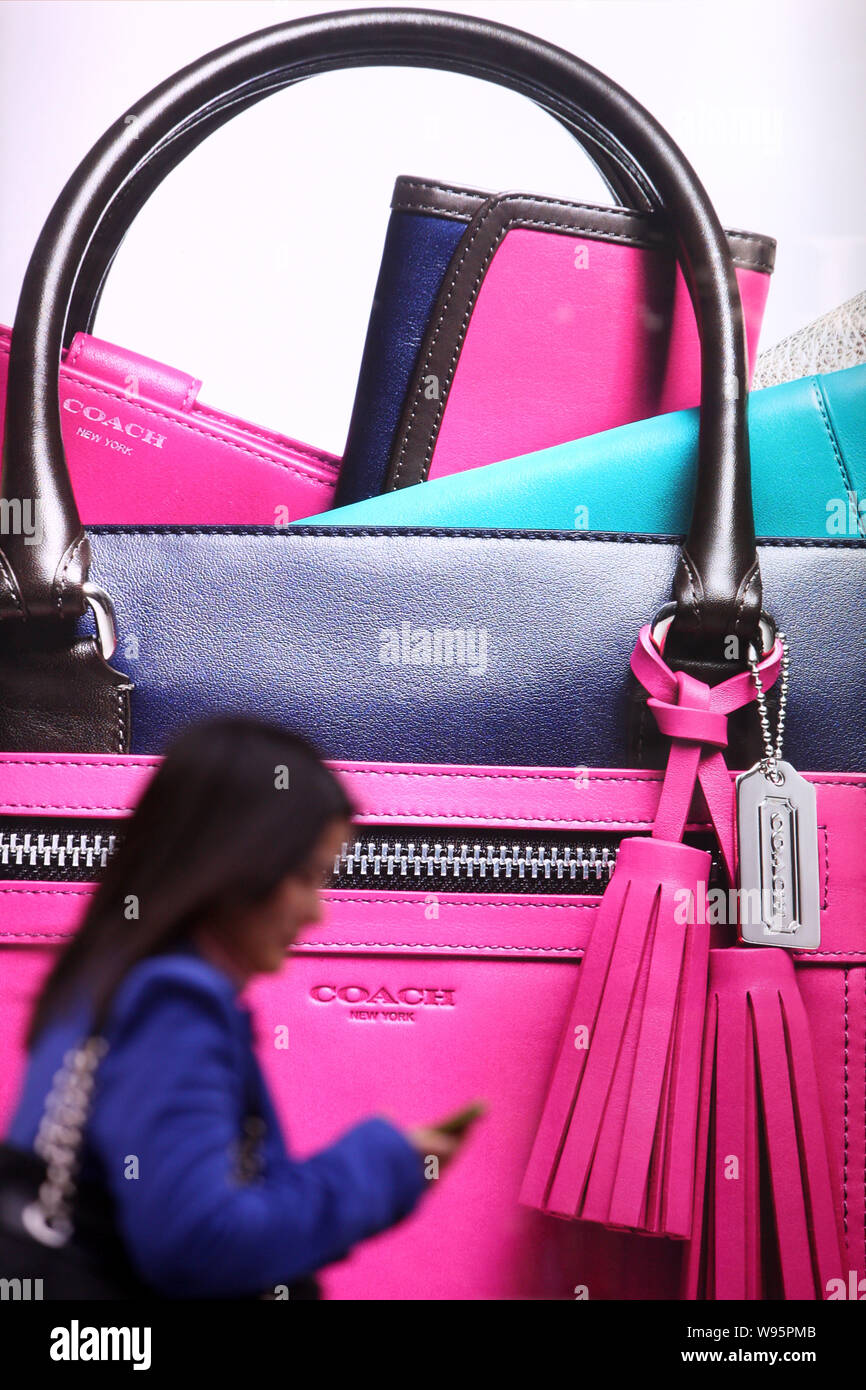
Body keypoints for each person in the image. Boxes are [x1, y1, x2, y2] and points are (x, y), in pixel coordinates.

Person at [4, 717, 479, 1298]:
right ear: (238, 861)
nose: (316, 913)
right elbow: (201, 1245)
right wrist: (380, 1168)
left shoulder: (98, 980)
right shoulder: (172, 1005)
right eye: (307, 876)